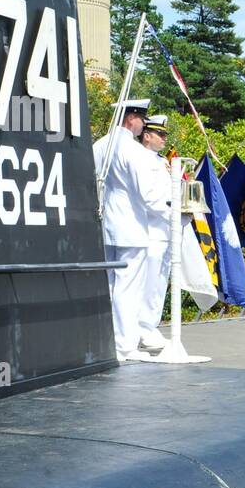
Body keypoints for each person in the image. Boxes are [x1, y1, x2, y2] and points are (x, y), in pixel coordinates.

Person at [94, 99, 172, 361]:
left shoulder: (99, 146)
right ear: (131, 119)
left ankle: (108, 341)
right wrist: (174, 213)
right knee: (128, 289)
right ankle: (124, 346)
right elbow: (149, 196)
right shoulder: (133, 150)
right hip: (132, 228)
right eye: (141, 119)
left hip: (108, 225)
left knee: (110, 286)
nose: (143, 125)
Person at [137, 116, 174, 353]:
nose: (164, 139)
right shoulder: (141, 159)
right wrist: (172, 212)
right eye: (160, 134)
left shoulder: (161, 161)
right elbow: (148, 198)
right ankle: (141, 328)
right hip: (149, 229)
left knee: (160, 282)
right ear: (147, 135)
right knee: (148, 283)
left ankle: (150, 325)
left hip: (165, 231)